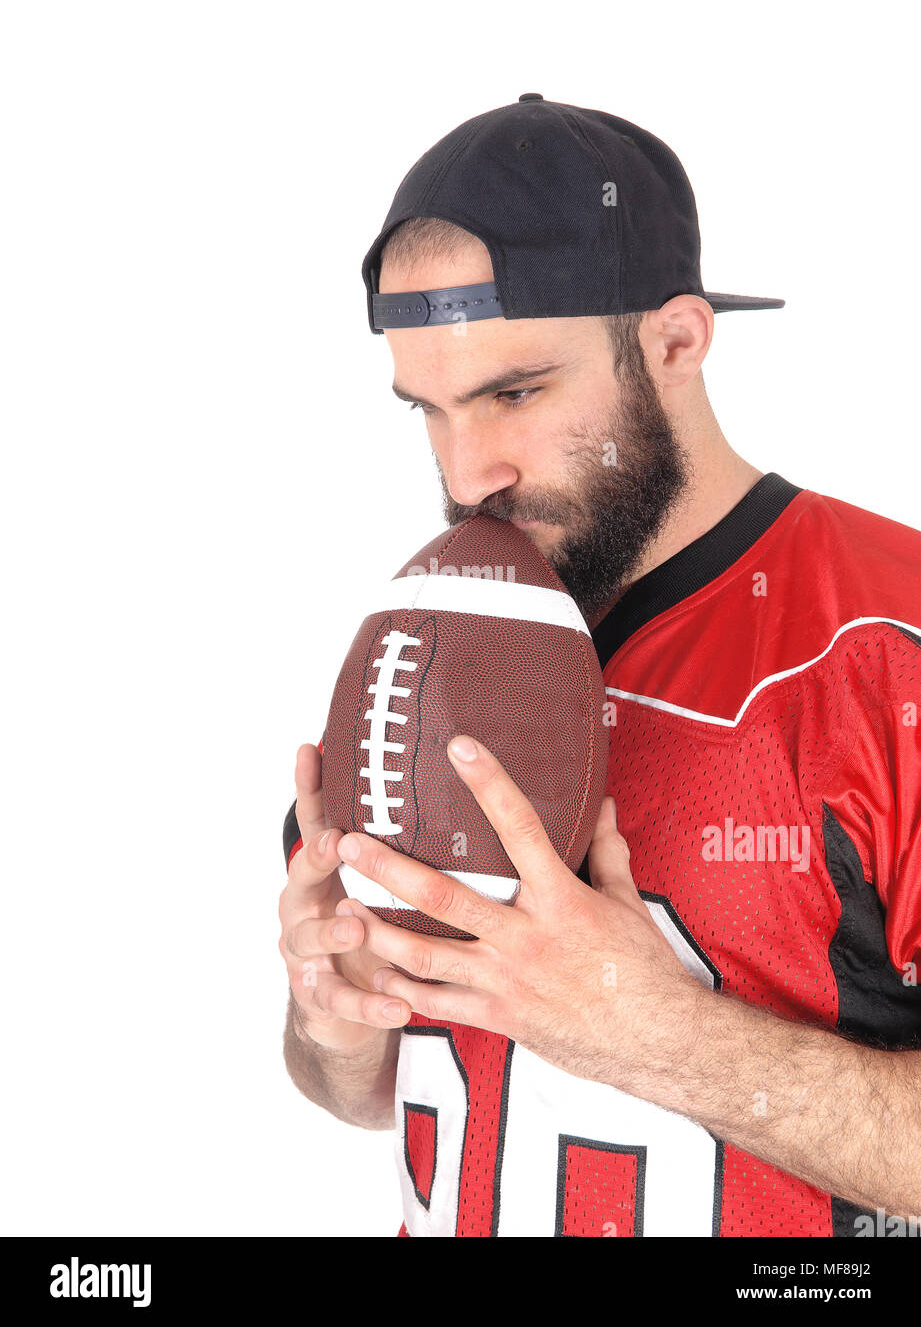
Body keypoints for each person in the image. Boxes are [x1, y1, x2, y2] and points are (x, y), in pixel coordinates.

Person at [277, 94, 921, 1237]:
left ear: (676, 340)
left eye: (514, 394)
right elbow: (374, 1091)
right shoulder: (424, 651)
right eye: (427, 409)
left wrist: (669, 1041)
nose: (468, 471)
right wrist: (337, 1027)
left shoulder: (884, 642)